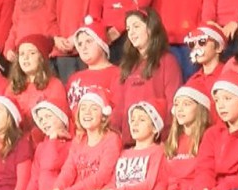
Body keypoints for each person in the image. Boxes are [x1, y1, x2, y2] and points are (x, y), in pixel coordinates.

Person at [116, 9, 180, 140]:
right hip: (130, 143)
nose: (131, 33)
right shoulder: (127, 65)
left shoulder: (167, 61)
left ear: (150, 28)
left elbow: (173, 103)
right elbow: (120, 106)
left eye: (136, 26)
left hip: (157, 140)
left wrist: (166, 137)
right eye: (128, 29)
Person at [5, 33, 68, 136]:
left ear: (42, 58)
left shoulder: (54, 85)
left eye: (32, 53)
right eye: (22, 54)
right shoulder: (12, 87)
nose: (25, 57)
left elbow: (58, 120)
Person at [64, 27, 120, 120]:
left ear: (101, 44)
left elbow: (118, 113)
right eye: (80, 44)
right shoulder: (73, 78)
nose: (83, 47)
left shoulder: (117, 74)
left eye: (89, 41)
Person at [181, 24, 228, 100]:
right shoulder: (193, 80)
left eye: (202, 42)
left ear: (219, 47)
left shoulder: (226, 75)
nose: (196, 47)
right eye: (192, 44)